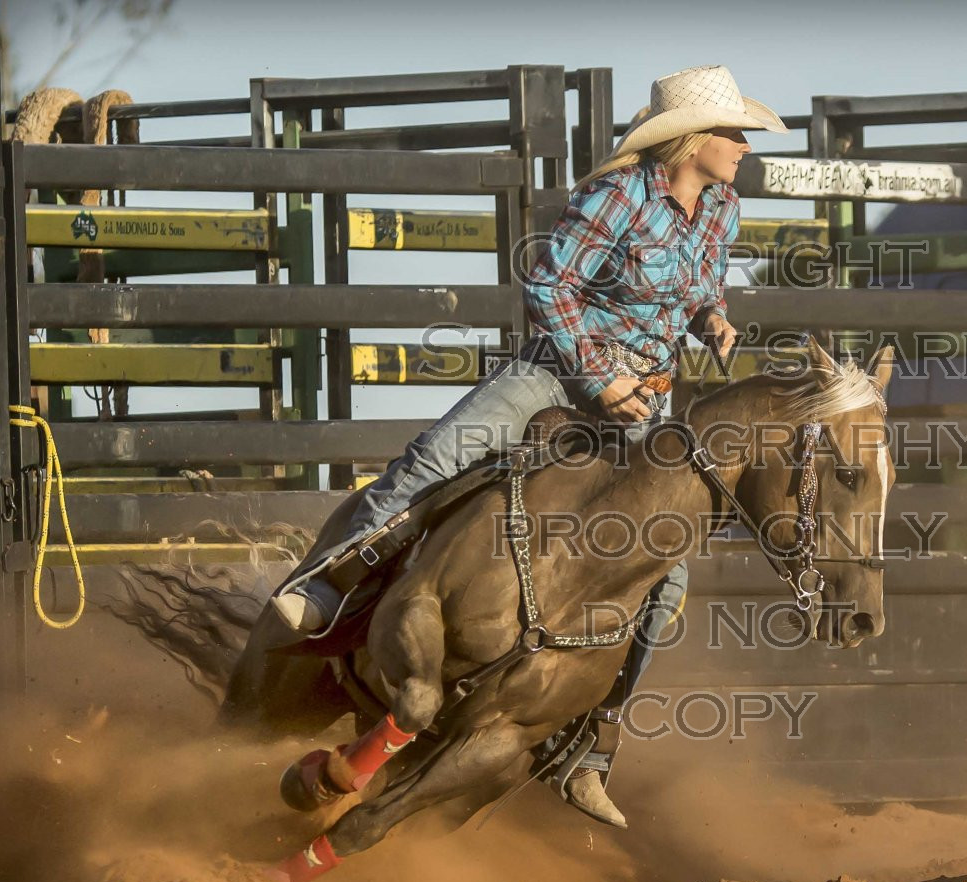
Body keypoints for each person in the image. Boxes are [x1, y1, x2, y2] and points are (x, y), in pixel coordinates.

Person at [265, 65, 786, 828]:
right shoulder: (617, 197)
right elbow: (549, 290)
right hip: (557, 377)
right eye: (735, 132)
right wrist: (600, 381)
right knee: (438, 459)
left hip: (646, 399)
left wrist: (711, 319)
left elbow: (702, 286)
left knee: (666, 579)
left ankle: (586, 748)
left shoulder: (721, 210)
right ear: (693, 141)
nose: (745, 145)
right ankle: (323, 586)